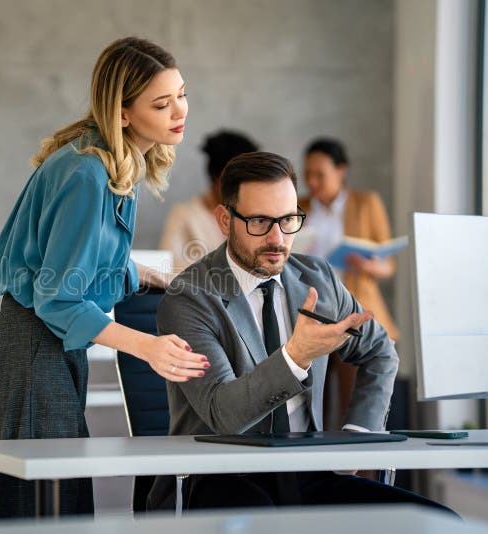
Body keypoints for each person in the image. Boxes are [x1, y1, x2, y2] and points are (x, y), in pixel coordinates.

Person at [0, 36, 208, 519]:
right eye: (162, 103)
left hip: (48, 349)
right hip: (33, 349)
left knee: (65, 507)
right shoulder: (89, 173)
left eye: (182, 95)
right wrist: (147, 346)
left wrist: (151, 275)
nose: (179, 111)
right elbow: (60, 300)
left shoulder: (111, 159)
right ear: (122, 112)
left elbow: (84, 259)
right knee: (45, 513)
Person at [148, 152, 451, 514]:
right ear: (225, 220)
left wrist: (360, 436)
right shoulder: (190, 297)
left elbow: (379, 351)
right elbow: (223, 415)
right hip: (218, 476)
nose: (278, 238)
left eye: (289, 219)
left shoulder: (317, 279)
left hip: (306, 472)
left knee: (441, 521)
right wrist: (295, 358)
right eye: (260, 221)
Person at [299, 137, 399, 426]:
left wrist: (369, 265)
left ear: (341, 170)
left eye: (320, 174)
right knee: (312, 407)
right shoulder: (299, 206)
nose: (313, 182)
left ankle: (358, 471)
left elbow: (388, 265)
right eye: (308, 174)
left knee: (355, 406)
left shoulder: (366, 203)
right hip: (313, 315)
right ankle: (315, 470)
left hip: (354, 312)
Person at [159, 130, 258, 272]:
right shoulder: (184, 215)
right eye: (235, 183)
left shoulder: (255, 216)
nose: (242, 190)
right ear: (215, 178)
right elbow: (168, 269)